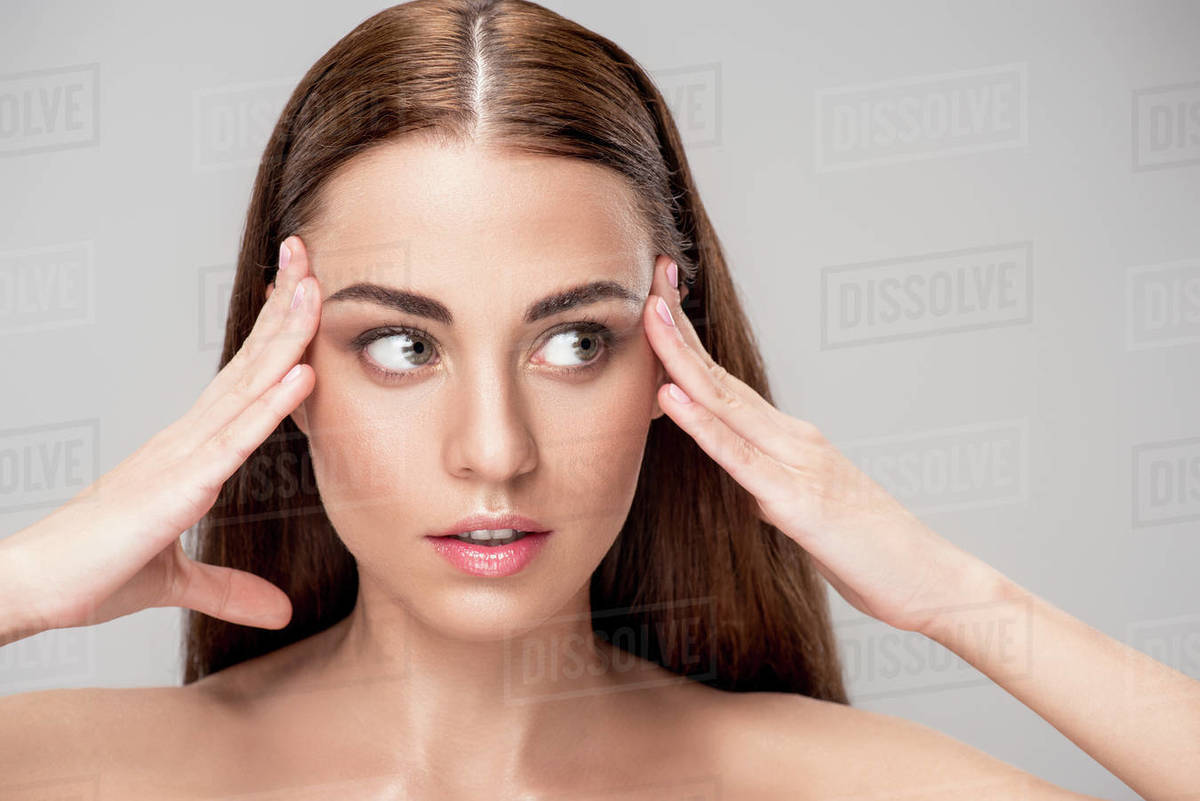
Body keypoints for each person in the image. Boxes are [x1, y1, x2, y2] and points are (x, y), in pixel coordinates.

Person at [1, 1, 1197, 798]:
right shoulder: (84, 775)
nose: (493, 451)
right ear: (285, 377)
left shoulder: (817, 784)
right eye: (402, 346)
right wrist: (24, 583)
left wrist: (955, 595)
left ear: (674, 364)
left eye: (574, 341)